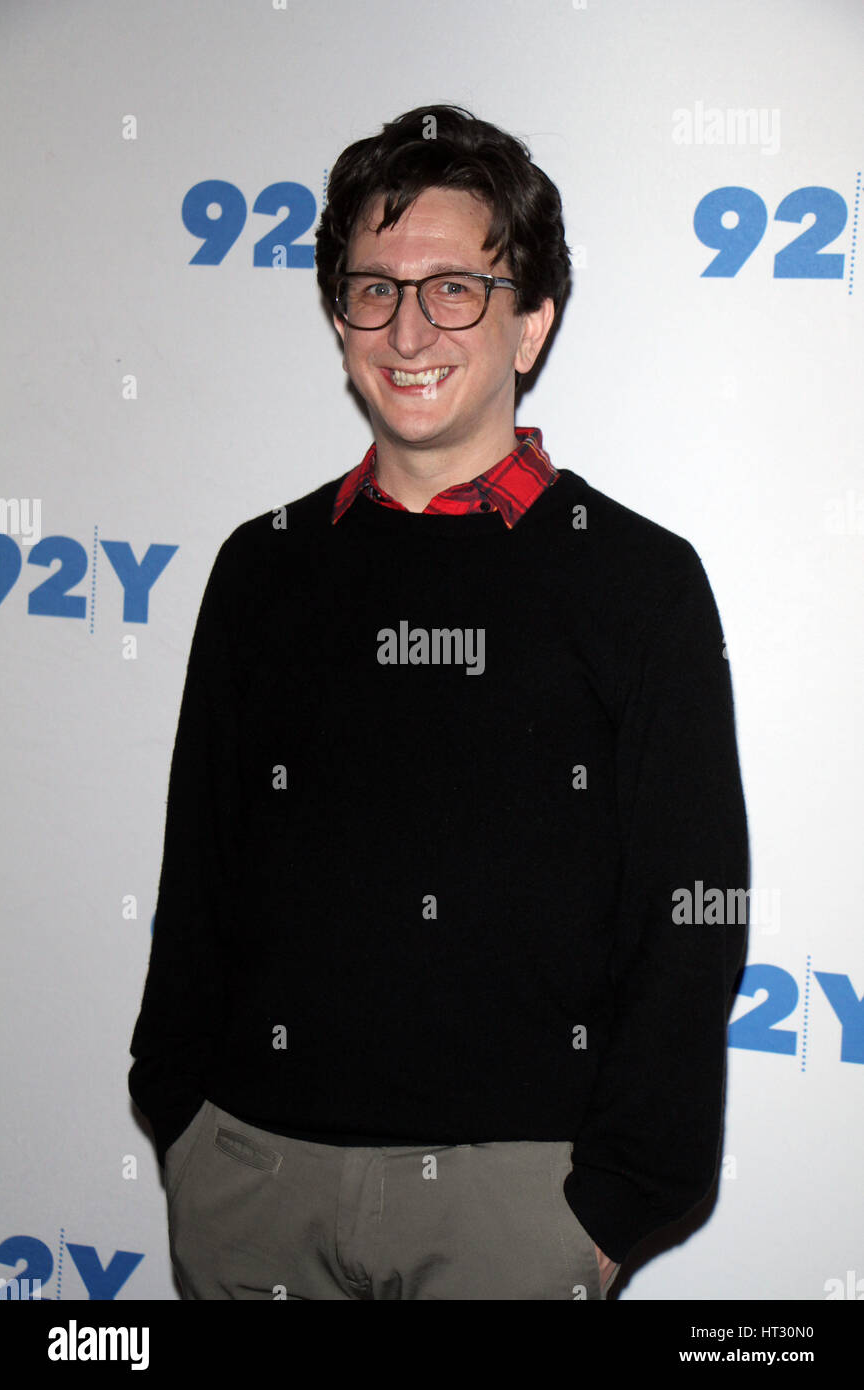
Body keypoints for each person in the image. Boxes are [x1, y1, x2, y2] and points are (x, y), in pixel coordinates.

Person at [129, 104, 748, 1301]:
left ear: (532, 321)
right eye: (373, 289)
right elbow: (197, 870)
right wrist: (184, 1112)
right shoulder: (260, 566)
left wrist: (612, 1202)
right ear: (340, 317)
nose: (408, 326)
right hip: (252, 1182)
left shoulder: (635, 581)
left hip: (515, 1206)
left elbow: (690, 912)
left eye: (456, 288)